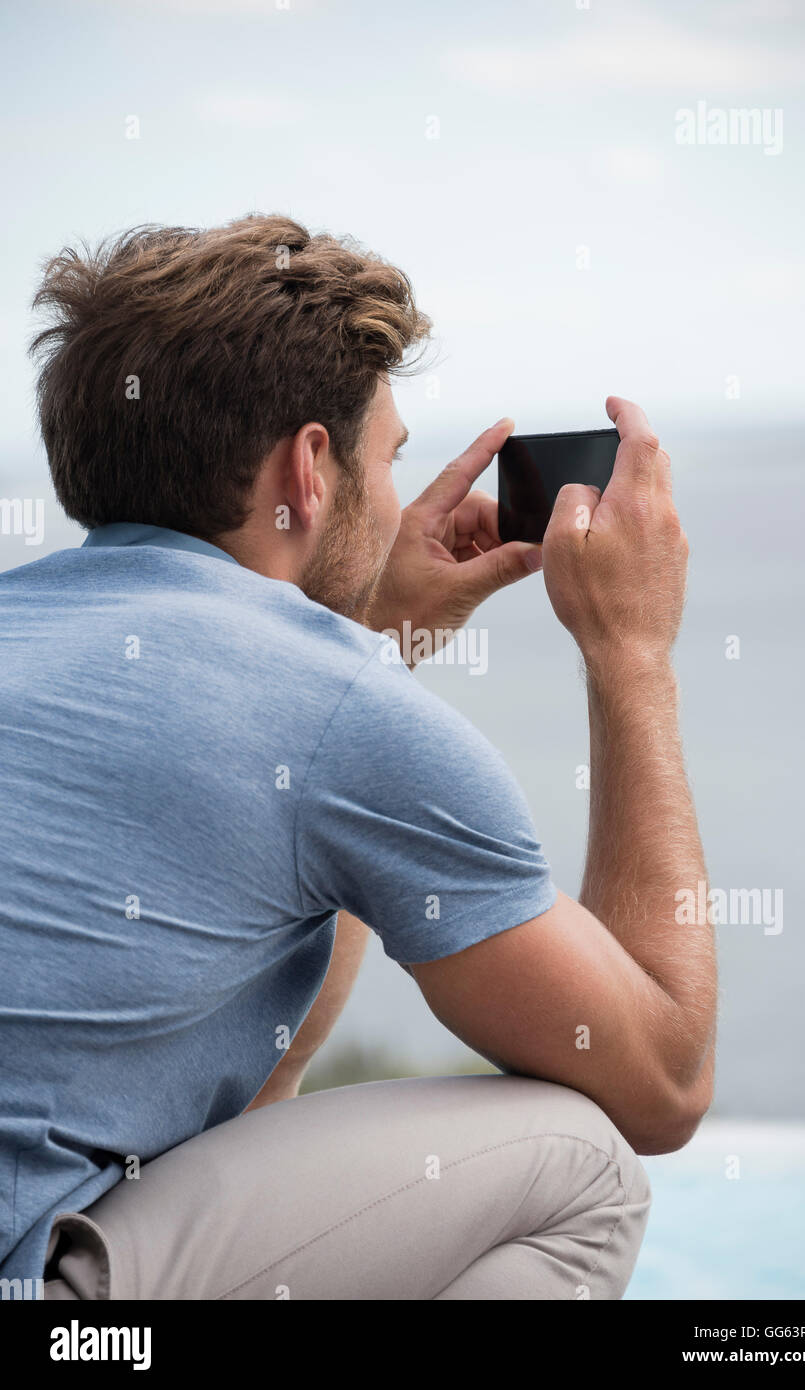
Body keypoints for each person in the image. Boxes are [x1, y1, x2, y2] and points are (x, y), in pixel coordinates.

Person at [0, 214, 715, 1301]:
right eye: (390, 459)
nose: (397, 502)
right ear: (311, 467)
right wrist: (632, 652)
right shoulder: (336, 710)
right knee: (584, 1158)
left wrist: (372, 643)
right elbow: (663, 1081)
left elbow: (252, 1101)